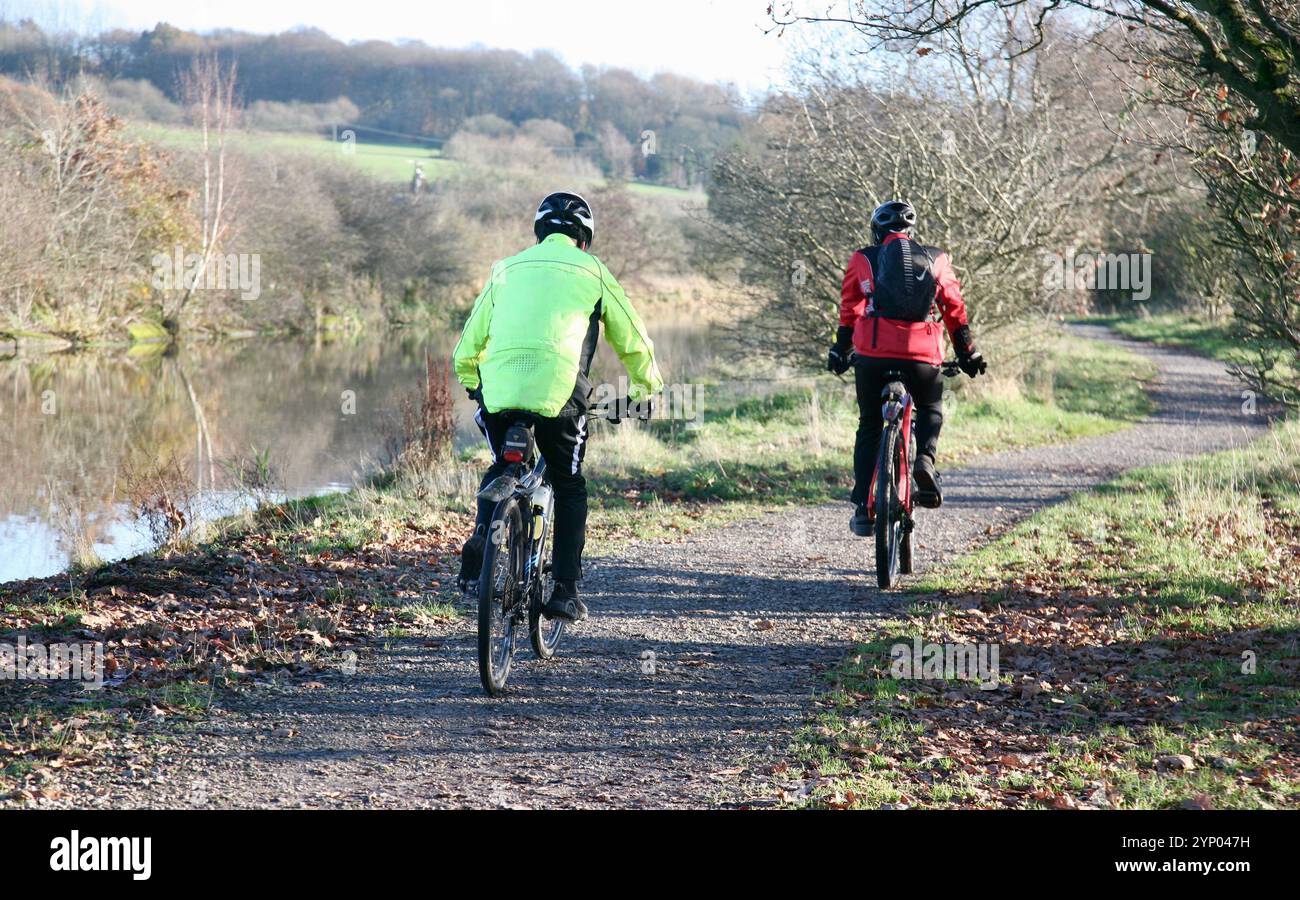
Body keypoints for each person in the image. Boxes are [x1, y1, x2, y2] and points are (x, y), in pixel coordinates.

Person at [452, 191, 663, 622]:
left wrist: (475, 385)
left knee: (502, 465)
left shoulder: (506, 269)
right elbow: (633, 338)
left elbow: (466, 346)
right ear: (583, 239)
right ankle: (565, 590)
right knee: (568, 484)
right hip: (560, 395)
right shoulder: (593, 271)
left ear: (539, 233)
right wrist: (645, 388)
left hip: (501, 392)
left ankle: (482, 534)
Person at [827, 199, 986, 536]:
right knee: (930, 407)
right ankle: (925, 464)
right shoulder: (937, 258)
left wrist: (841, 350)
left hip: (873, 352)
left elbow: (850, 309)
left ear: (877, 231)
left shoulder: (863, 259)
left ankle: (861, 506)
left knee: (870, 422)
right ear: (912, 231)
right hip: (922, 353)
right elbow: (954, 309)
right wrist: (968, 353)